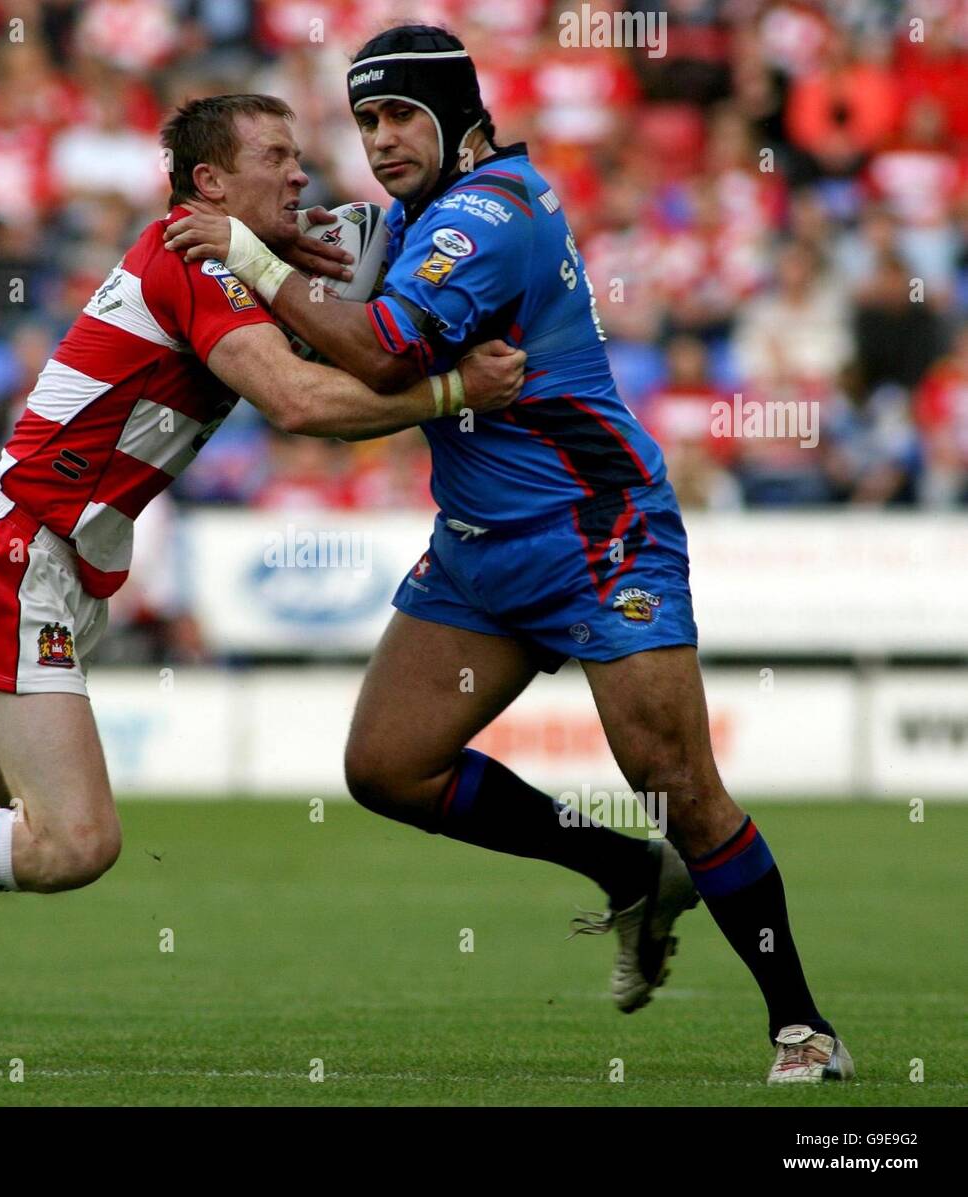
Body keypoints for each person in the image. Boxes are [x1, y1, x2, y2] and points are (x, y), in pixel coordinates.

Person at [0, 92, 525, 1062]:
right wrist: (454, 391)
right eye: (275, 157)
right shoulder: (191, 256)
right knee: (74, 843)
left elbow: (345, 357)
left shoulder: (238, 265)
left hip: (42, 552)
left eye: (299, 157)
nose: (301, 173)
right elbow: (298, 400)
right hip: (16, 552)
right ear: (209, 184)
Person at [164, 26, 852, 1084]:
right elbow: (366, 335)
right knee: (387, 767)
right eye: (365, 122)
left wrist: (251, 259)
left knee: (675, 781)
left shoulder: (491, 211)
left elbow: (387, 350)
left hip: (597, 535)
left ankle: (801, 1026)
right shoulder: (421, 212)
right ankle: (627, 871)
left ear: (459, 115)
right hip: (479, 550)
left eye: (400, 115)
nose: (381, 140)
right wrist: (297, 265)